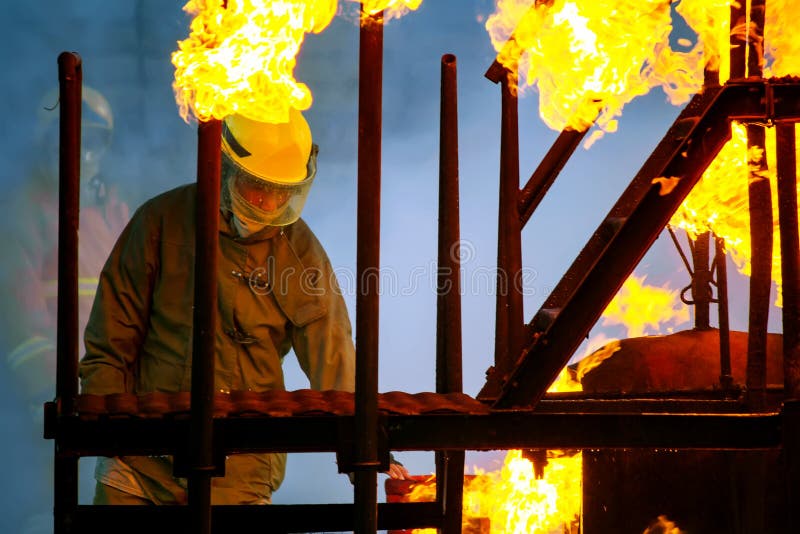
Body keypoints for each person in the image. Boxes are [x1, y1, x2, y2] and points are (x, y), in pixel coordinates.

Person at [80, 109, 407, 505]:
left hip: (241, 474)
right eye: (256, 187)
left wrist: (366, 445)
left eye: (281, 191)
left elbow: (333, 354)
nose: (268, 204)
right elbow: (111, 340)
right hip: (140, 468)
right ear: (227, 168)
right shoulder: (162, 223)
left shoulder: (300, 255)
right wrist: (112, 434)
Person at [0, 86, 129, 533]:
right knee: (51, 514)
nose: (85, 150)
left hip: (106, 398)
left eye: (98, 139)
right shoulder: (22, 214)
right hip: (51, 404)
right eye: (74, 136)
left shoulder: (114, 210)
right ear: (44, 140)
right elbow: (20, 321)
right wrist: (54, 394)